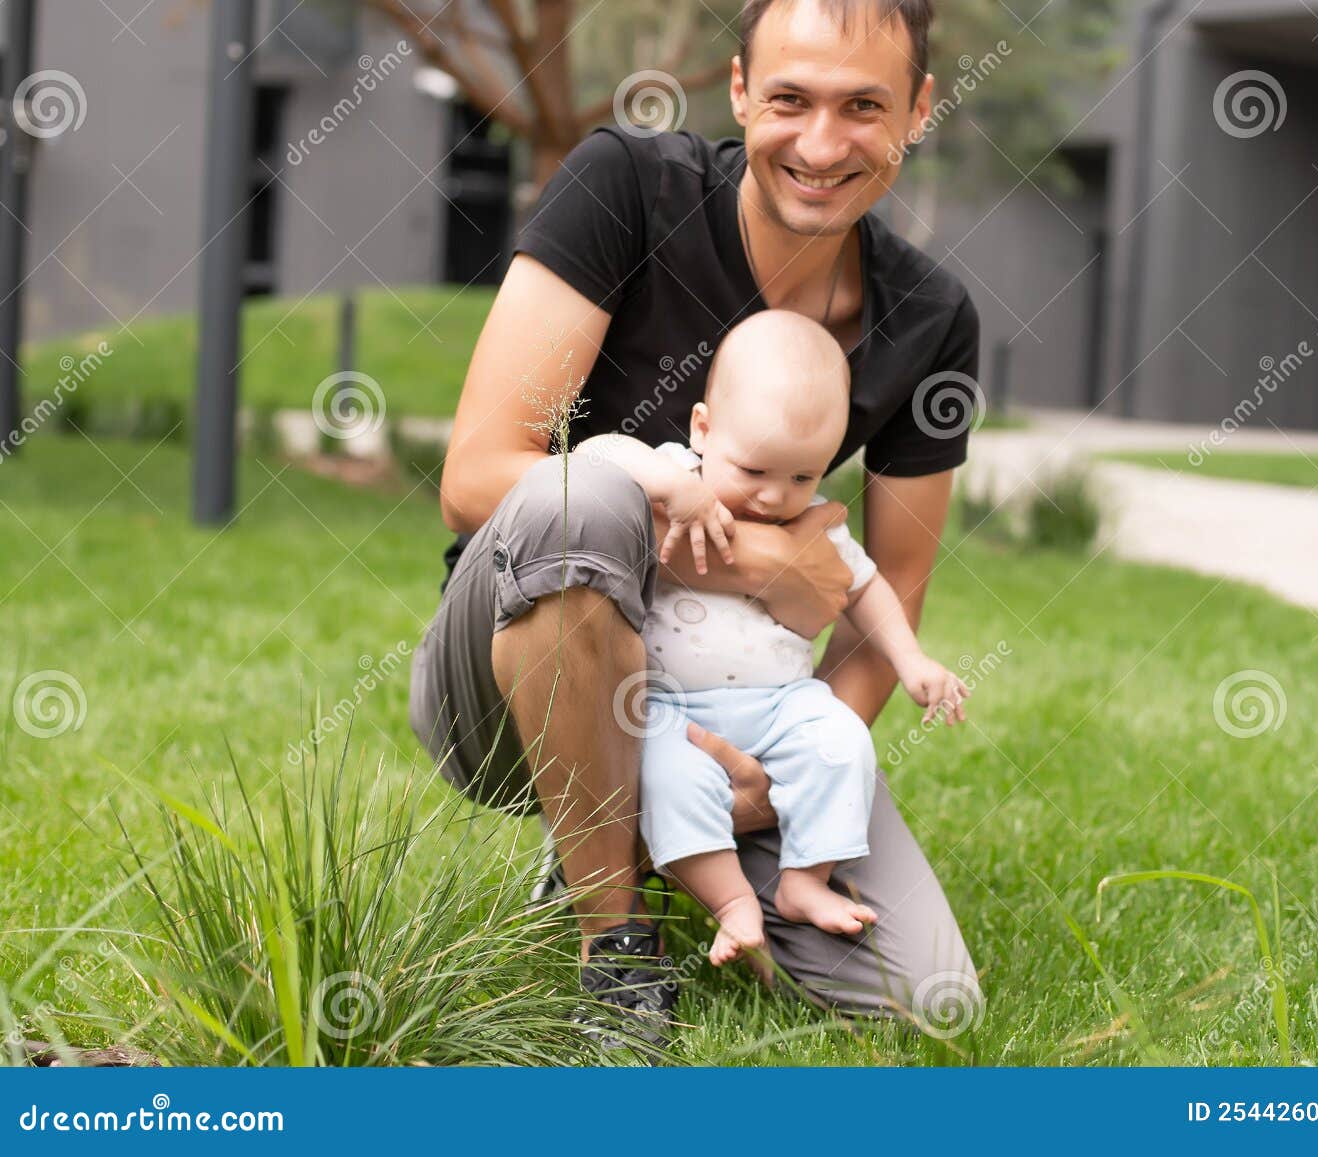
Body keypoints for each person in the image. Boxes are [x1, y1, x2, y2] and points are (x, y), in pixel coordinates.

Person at [408, 0, 982, 1031]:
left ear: (920, 110)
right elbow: (479, 476)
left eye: (863, 107)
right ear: (736, 92)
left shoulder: (930, 320)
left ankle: (679, 841)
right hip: (503, 686)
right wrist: (770, 566)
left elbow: (887, 594)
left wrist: (772, 780)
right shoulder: (625, 188)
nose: (820, 143)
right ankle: (612, 940)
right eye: (790, 99)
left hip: (725, 712)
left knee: (921, 996)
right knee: (580, 498)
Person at [580, 309, 969, 975]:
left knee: (844, 741)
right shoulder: (676, 472)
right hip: (671, 707)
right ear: (704, 428)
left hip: (784, 701)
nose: (771, 496)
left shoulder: (814, 524)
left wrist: (911, 660)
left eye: (800, 477)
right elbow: (590, 457)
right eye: (755, 469)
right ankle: (731, 900)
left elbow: (865, 585)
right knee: (670, 777)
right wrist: (673, 486)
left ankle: (804, 879)